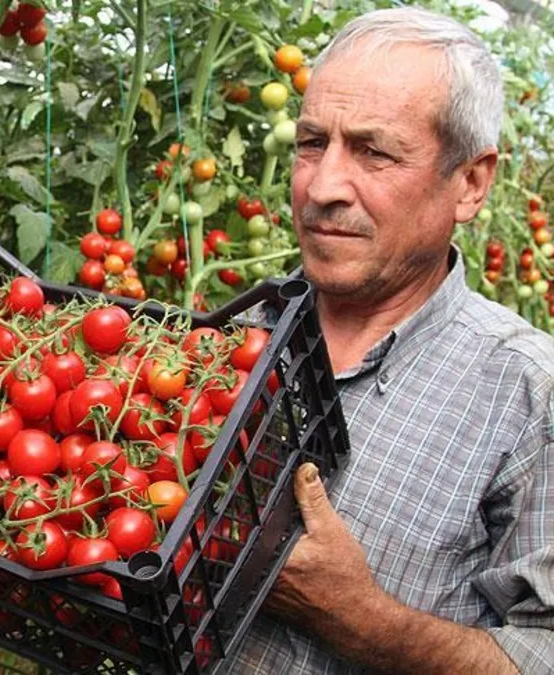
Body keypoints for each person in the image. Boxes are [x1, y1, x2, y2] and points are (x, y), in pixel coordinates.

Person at [221, 7, 554, 674]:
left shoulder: (528, 396)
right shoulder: (236, 338)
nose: (321, 187)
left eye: (373, 151)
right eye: (312, 143)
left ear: (470, 182)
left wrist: (362, 618)